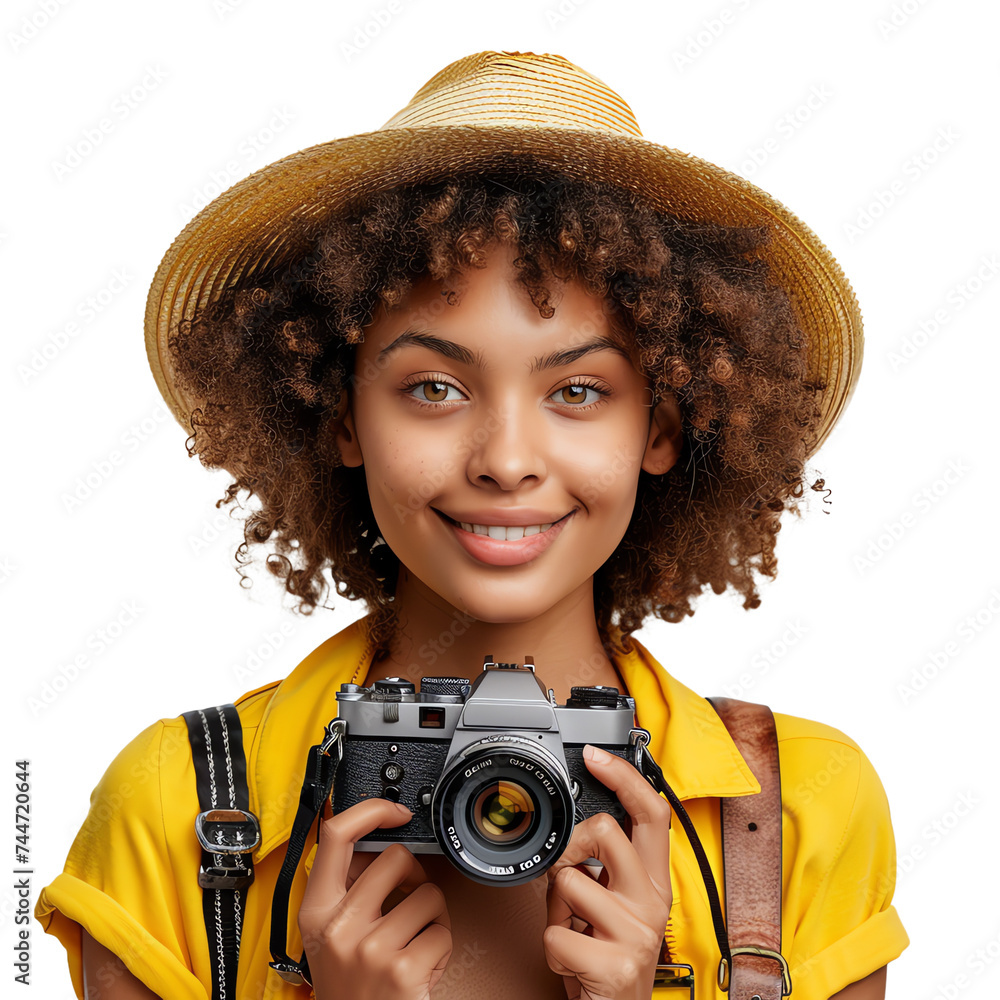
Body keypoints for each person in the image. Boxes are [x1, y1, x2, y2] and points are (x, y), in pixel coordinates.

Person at [35, 52, 908, 999]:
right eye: (434, 388)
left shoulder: (796, 815)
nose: (504, 458)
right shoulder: (181, 807)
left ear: (659, 426)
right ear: (340, 416)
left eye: (578, 390)